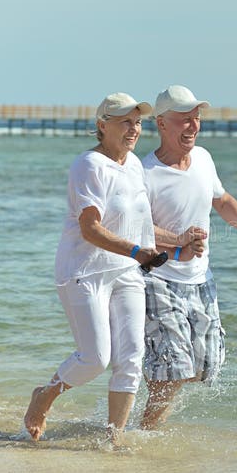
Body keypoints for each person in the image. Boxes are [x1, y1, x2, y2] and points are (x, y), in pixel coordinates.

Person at [23, 92, 204, 443]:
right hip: (84, 271)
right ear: (102, 125)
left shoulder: (134, 165)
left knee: (132, 359)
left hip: (126, 272)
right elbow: (91, 229)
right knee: (94, 358)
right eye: (125, 122)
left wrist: (179, 242)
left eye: (137, 122)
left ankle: (113, 440)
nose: (133, 129)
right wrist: (138, 252)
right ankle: (44, 396)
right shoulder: (88, 165)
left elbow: (143, 228)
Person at [140, 85, 237, 429]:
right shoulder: (145, 172)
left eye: (196, 118)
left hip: (201, 280)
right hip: (158, 279)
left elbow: (222, 200)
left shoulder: (203, 158)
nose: (193, 126)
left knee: (203, 367)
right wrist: (179, 242)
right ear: (161, 124)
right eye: (184, 120)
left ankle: (142, 416)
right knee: (171, 372)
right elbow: (136, 229)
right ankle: (145, 438)